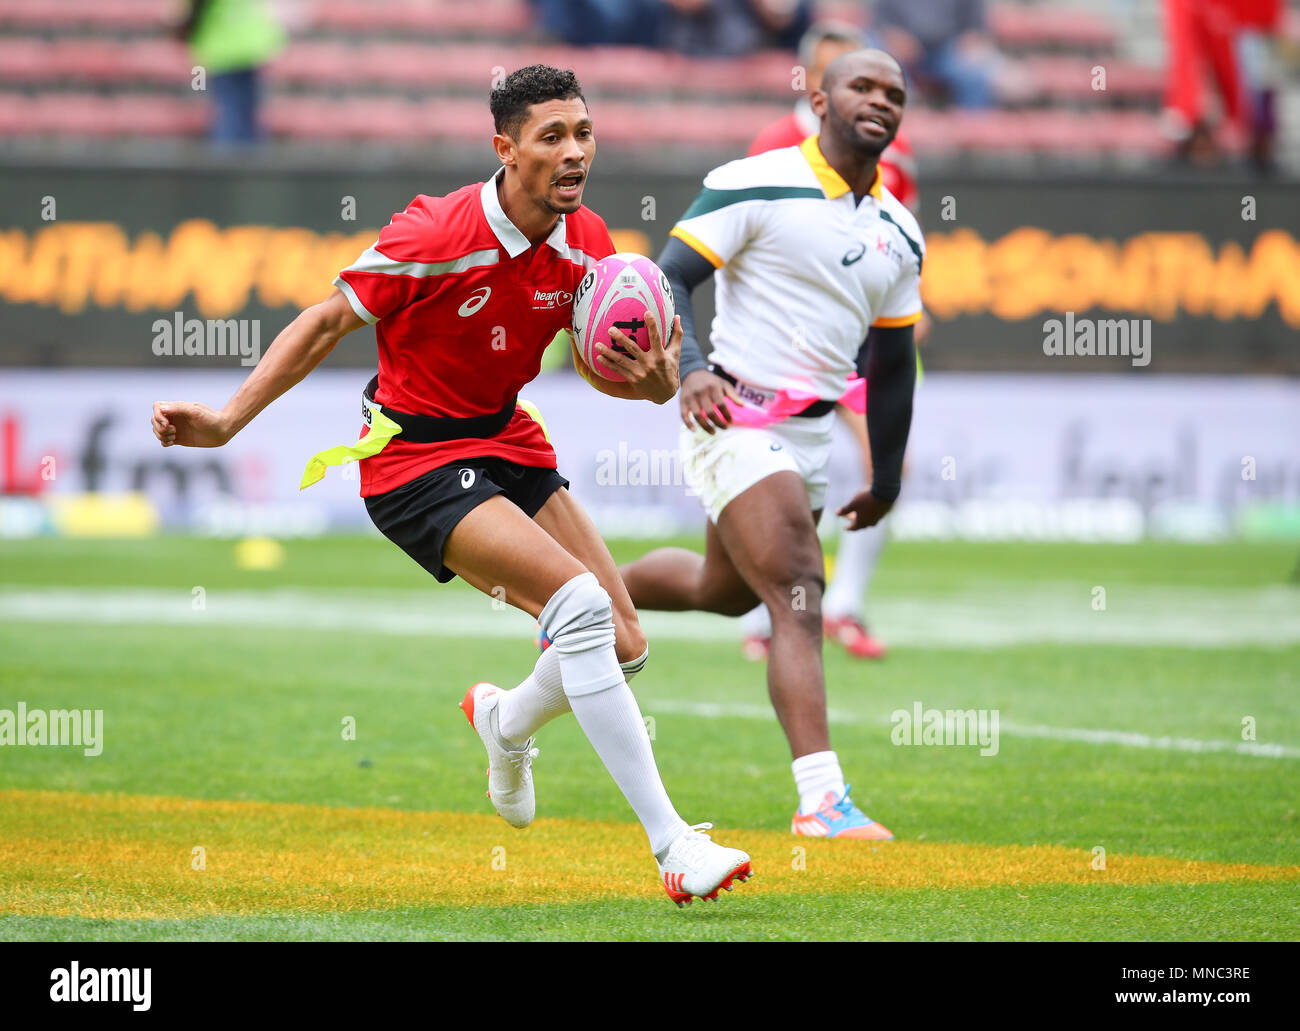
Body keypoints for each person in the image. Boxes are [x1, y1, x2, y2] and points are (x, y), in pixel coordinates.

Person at [150, 65, 752, 907]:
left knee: (622, 641)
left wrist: (653, 383)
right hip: (413, 458)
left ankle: (504, 722)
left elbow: (603, 363)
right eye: (553, 136)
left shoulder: (590, 243)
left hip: (504, 434)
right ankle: (674, 845)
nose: (574, 151)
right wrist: (225, 420)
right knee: (575, 609)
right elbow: (326, 320)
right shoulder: (435, 232)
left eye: (583, 132)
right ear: (505, 150)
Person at [619, 49, 922, 840]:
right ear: (818, 98)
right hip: (732, 415)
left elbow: (890, 366)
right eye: (862, 85)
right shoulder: (753, 178)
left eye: (894, 92)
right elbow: (668, 277)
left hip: (812, 436)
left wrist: (885, 476)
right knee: (797, 588)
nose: (879, 100)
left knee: (723, 591)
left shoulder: (901, 231)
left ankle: (582, 590)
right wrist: (688, 371)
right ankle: (821, 799)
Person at [742, 20, 919, 662]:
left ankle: (844, 606)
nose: (863, 93)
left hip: (860, 343)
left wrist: (907, 307)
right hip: (784, 344)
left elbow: (901, 240)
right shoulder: (773, 148)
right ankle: (763, 616)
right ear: (815, 81)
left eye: (871, 78)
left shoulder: (892, 155)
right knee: (778, 479)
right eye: (844, 74)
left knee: (888, 465)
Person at [177, 0, 286, 145]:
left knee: (231, 110)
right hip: (246, 49)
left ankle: (230, 155)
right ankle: (241, 154)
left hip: (224, 51)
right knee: (242, 110)